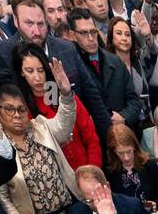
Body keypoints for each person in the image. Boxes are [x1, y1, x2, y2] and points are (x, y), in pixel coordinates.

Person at [0, 0, 111, 141]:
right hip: (35, 140)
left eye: (40, 24)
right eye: (29, 23)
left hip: (78, 135)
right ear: (16, 21)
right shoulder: (3, 53)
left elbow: (92, 95)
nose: (36, 31)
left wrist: (110, 136)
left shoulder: (66, 48)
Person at [0, 79, 80, 214]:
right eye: (9, 109)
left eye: (21, 109)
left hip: (70, 210)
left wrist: (66, 95)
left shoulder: (41, 126)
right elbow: (3, 198)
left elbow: (64, 126)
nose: (17, 115)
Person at [13, 41, 102, 174]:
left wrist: (94, 171)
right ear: (21, 72)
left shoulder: (62, 95)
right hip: (55, 180)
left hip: (85, 171)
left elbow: (91, 137)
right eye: (29, 71)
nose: (37, 77)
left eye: (41, 70)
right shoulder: (22, 108)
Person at [68, 9, 141, 130]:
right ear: (72, 35)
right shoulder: (72, 67)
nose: (91, 38)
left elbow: (134, 102)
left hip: (121, 135)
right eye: (84, 33)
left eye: (93, 32)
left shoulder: (116, 62)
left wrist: (123, 117)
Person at [104, 123, 158, 205]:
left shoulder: (149, 166)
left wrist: (155, 204)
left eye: (129, 151)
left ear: (134, 147)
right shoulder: (110, 172)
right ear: (114, 151)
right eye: (120, 153)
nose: (126, 157)